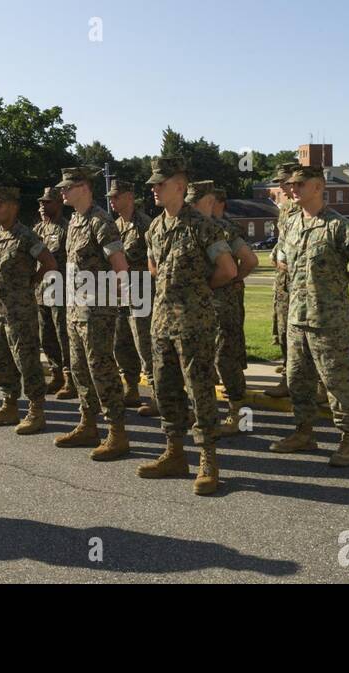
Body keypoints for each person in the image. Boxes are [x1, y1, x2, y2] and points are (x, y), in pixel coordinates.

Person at [138, 157, 237, 495]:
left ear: (179, 186)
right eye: (152, 184)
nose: (153, 189)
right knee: (165, 390)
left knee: (199, 391)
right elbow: (153, 265)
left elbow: (228, 269)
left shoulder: (202, 225)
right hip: (162, 322)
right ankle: (174, 453)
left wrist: (197, 289)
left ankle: (208, 460)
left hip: (194, 324)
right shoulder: (155, 227)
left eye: (159, 183)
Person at [270, 165, 349, 467]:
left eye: (299, 184)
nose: (293, 189)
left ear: (317, 187)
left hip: (329, 321)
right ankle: (303, 432)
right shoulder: (291, 224)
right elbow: (280, 259)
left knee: (337, 381)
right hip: (296, 318)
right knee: (297, 381)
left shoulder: (338, 226)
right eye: (291, 185)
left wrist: (335, 283)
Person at [52, 166, 131, 460]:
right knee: (79, 369)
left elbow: (120, 266)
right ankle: (88, 424)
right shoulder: (75, 221)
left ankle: (117, 433)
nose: (62, 192)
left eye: (67, 187)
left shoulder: (101, 221)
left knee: (102, 369)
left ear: (84, 187)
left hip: (97, 310)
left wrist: (120, 303)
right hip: (75, 308)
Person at [0, 187, 56, 434]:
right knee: (0, 360)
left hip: (20, 311)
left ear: (13, 206)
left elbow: (49, 262)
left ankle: (36, 410)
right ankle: (9, 405)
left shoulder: (26, 236)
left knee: (26, 360)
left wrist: (32, 281)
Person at [191, 181, 258, 437]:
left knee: (224, 356)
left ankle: (238, 414)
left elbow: (250, 260)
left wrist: (231, 279)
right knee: (212, 356)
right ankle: (216, 412)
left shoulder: (220, 228)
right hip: (210, 302)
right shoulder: (208, 227)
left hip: (219, 301)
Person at [109, 180, 156, 415]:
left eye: (116, 197)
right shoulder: (114, 225)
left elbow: (155, 261)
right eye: (110, 197)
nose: (111, 201)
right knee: (122, 344)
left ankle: (158, 395)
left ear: (129, 197)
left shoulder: (145, 224)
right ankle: (131, 388)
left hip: (141, 292)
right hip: (120, 294)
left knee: (145, 345)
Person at [33, 187, 75, 398]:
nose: (42, 206)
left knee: (63, 336)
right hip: (42, 291)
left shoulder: (67, 229)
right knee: (46, 336)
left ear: (59, 204)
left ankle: (71, 379)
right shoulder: (38, 230)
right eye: (41, 202)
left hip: (61, 291)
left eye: (47, 202)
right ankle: (56, 374)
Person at [265, 162, 302, 399]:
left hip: (299, 278)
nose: (282, 185)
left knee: (302, 334)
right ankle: (289, 377)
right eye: (279, 182)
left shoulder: (305, 207)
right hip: (283, 279)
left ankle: (310, 382)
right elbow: (283, 239)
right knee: (284, 329)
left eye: (285, 181)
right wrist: (275, 254)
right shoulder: (286, 208)